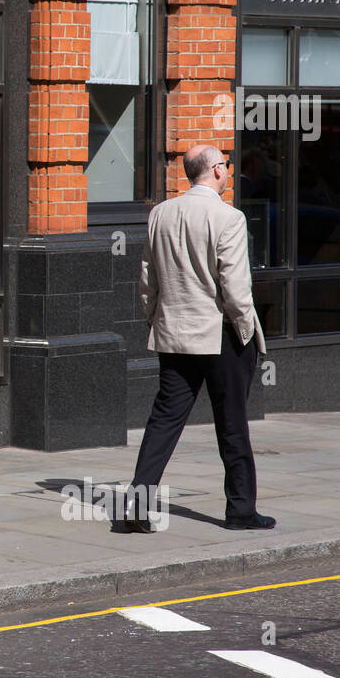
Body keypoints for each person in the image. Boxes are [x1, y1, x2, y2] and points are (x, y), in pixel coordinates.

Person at [125, 144, 273, 532]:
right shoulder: (229, 218)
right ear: (218, 171)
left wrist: (153, 319)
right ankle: (240, 510)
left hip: (174, 335)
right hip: (220, 336)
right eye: (225, 165)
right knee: (232, 425)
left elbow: (147, 280)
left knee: (163, 422)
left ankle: (137, 508)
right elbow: (236, 289)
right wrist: (247, 332)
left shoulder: (160, 213)